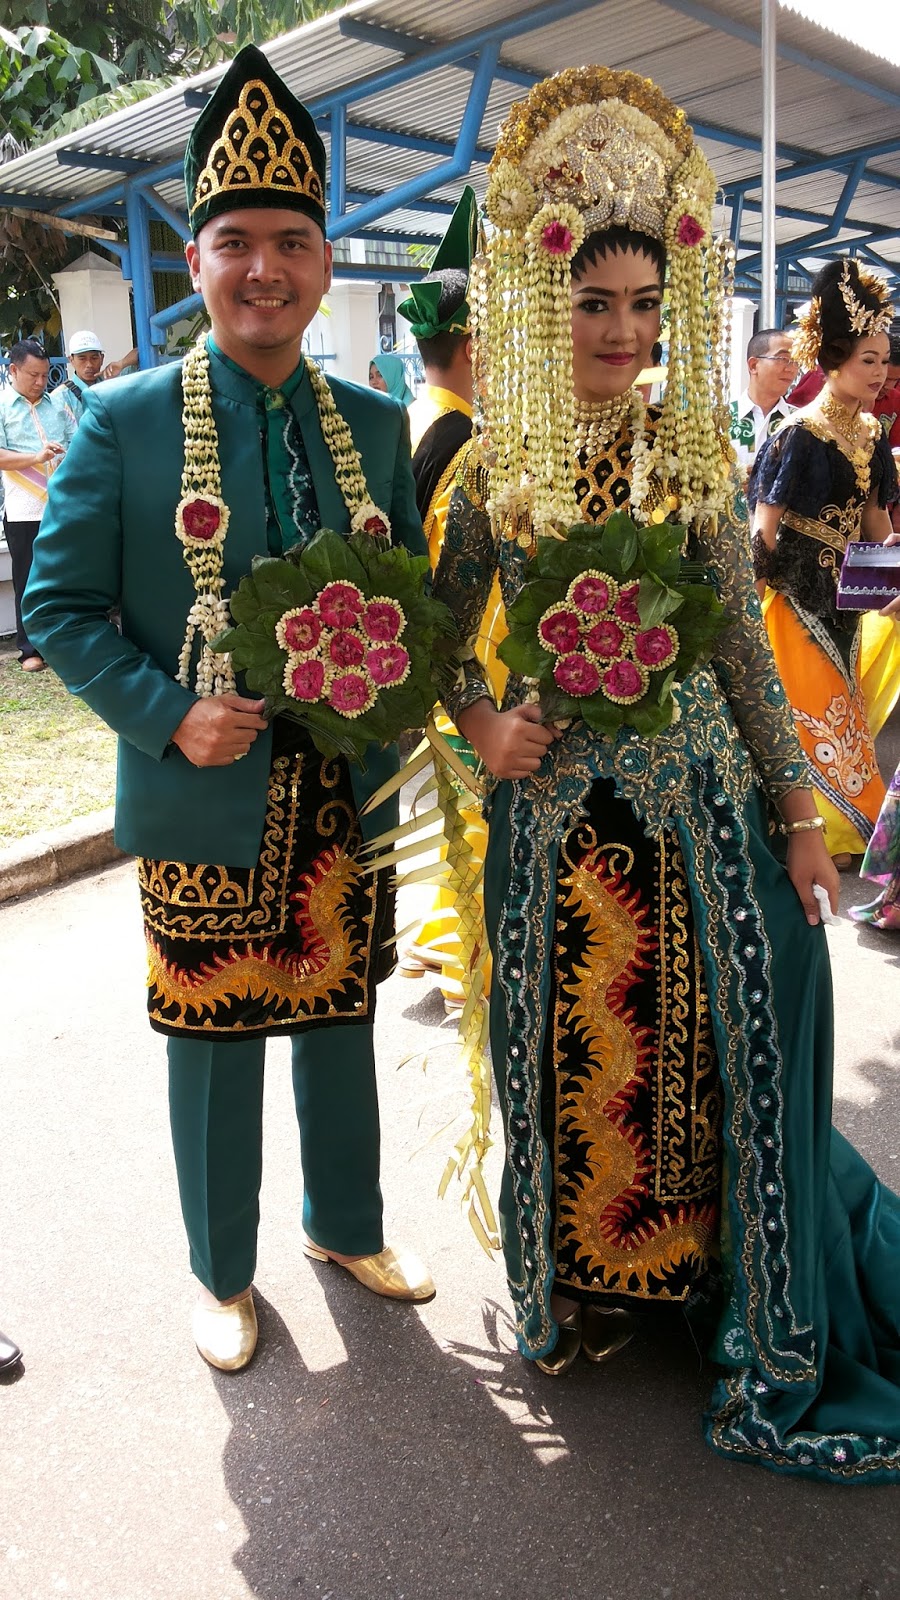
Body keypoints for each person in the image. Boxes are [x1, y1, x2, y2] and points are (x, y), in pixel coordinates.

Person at [433, 65, 900, 1482]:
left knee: (721, 1037)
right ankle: (586, 1275)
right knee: (570, 1038)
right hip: (558, 819)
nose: (624, 333)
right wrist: (479, 722)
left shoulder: (699, 459)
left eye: (645, 307)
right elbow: (430, 639)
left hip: (703, 812)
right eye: (594, 304)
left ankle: (717, 1286)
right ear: (538, 299)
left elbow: (752, 665)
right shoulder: (488, 470)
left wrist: (803, 820)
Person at [24, 45, 433, 1374]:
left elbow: (410, 602)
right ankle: (219, 1269)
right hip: (205, 781)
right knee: (214, 1037)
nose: (266, 267)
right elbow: (62, 611)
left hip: (345, 783)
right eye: (236, 241)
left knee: (340, 1013)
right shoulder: (124, 424)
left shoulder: (375, 428)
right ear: (196, 263)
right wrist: (166, 713)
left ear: (325, 262)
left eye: (294, 241)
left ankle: (346, 1223)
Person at [394, 188, 506, 1004]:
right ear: (470, 344)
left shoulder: (408, 419)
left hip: (420, 653)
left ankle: (440, 949)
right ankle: (471, 963)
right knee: (474, 815)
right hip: (464, 651)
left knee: (452, 807)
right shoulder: (463, 440)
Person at [749, 259, 898, 867]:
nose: (881, 371)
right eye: (869, 359)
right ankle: (818, 831)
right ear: (834, 358)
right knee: (813, 710)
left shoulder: (872, 433)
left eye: (885, 359)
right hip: (794, 599)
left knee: (845, 713)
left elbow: (877, 526)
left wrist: (891, 571)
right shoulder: (799, 434)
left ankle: (836, 830)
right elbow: (765, 525)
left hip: (849, 602)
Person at [0, 337, 75, 671]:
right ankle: (30, 649)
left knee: (66, 575)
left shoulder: (56, 405)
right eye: (33, 375)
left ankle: (67, 641)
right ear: (13, 370)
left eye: (45, 375)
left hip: (62, 504)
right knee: (29, 579)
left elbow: (78, 442)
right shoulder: (2, 407)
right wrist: (36, 456)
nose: (41, 382)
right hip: (24, 508)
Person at [728, 327, 798, 473]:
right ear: (753, 365)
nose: (791, 369)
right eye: (783, 359)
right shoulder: (720, 420)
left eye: (796, 361)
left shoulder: (800, 423)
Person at [54, 330, 138, 426]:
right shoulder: (61, 397)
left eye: (94, 358)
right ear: (71, 360)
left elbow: (141, 352)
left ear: (102, 358)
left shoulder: (111, 380)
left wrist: (121, 364)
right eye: (82, 358)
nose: (89, 364)